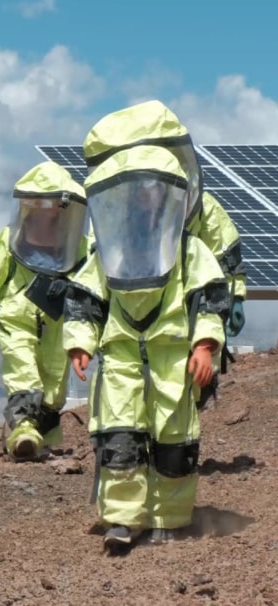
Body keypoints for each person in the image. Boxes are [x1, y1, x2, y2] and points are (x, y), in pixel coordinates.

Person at [64, 144, 229, 553]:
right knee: (119, 437)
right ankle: (122, 518)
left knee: (174, 439)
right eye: (137, 191)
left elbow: (207, 299)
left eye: (153, 190)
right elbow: (86, 299)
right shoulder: (109, 249)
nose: (145, 198)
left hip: (173, 356)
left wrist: (205, 345)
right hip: (120, 356)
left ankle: (168, 517)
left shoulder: (190, 250)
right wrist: (80, 343)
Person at [82, 99, 246, 408]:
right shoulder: (113, 222)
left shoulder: (203, 210)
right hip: (131, 313)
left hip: (188, 305)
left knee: (181, 384)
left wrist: (234, 296)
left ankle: (175, 441)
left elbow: (223, 251)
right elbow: (97, 262)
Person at [0, 161, 90, 461]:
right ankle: (23, 431)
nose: (45, 210)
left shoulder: (80, 246)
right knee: (23, 373)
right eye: (39, 204)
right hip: (14, 319)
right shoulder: (11, 239)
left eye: (52, 205)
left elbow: (92, 281)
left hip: (59, 322)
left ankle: (40, 434)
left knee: (55, 386)